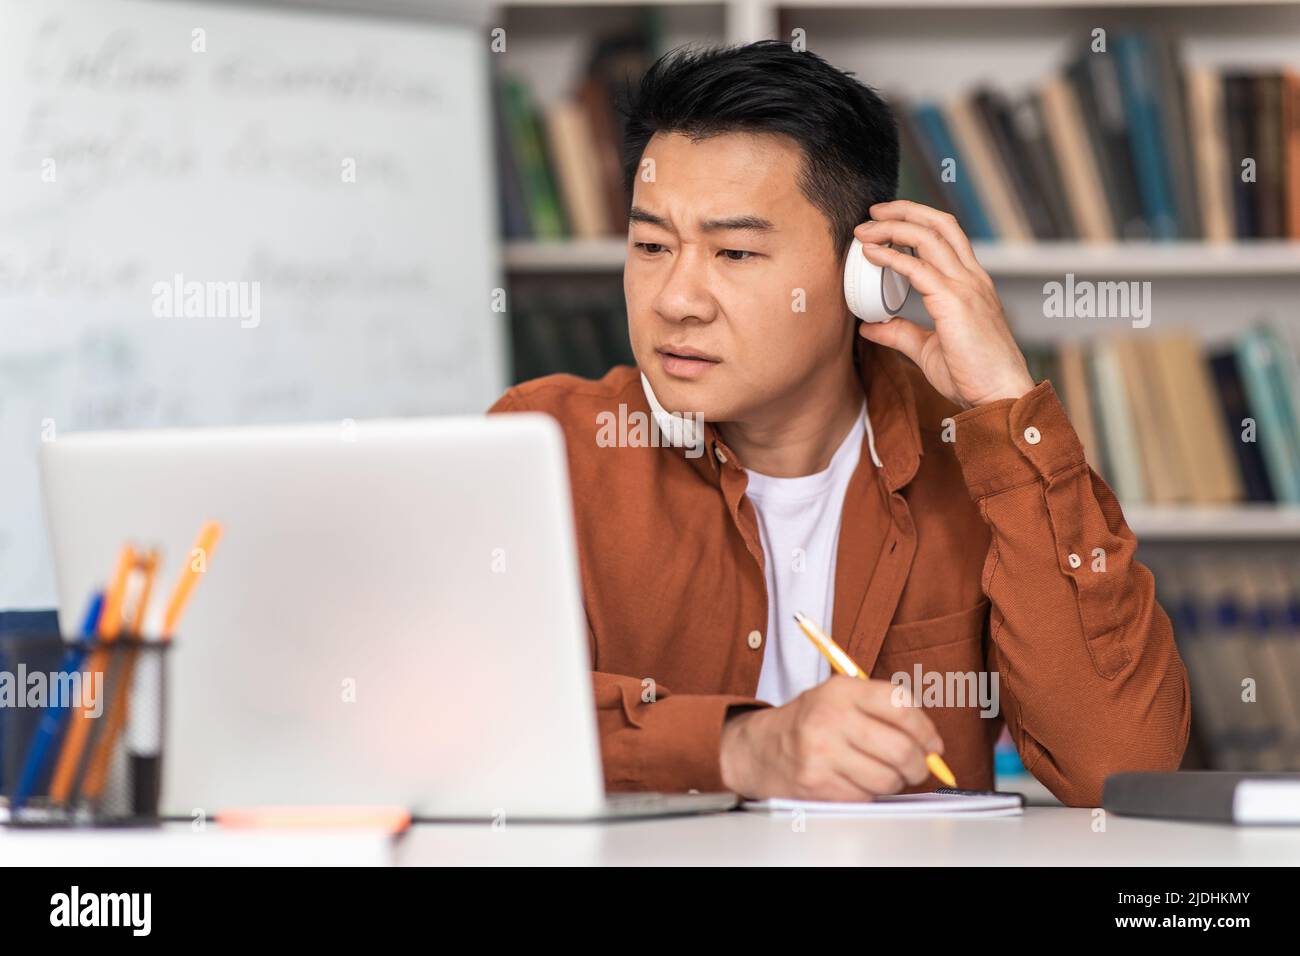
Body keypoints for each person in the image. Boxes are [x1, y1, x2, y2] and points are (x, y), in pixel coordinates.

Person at [489, 40, 1189, 806]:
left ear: (869, 274)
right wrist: (741, 749)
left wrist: (1003, 408)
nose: (675, 299)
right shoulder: (543, 446)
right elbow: (466, 725)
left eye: (734, 252)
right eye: (651, 245)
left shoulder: (972, 459)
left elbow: (1122, 764)